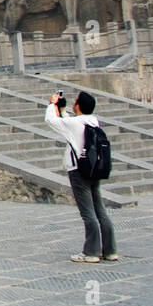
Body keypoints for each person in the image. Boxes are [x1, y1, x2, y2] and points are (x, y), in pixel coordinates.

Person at [45, 91, 117, 264]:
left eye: (76, 102)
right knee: (100, 209)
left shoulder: (75, 123)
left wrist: (51, 104)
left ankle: (91, 252)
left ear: (78, 105)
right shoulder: (93, 121)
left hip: (79, 171)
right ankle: (110, 250)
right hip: (94, 169)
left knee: (87, 212)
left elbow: (51, 121)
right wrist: (61, 110)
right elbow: (69, 123)